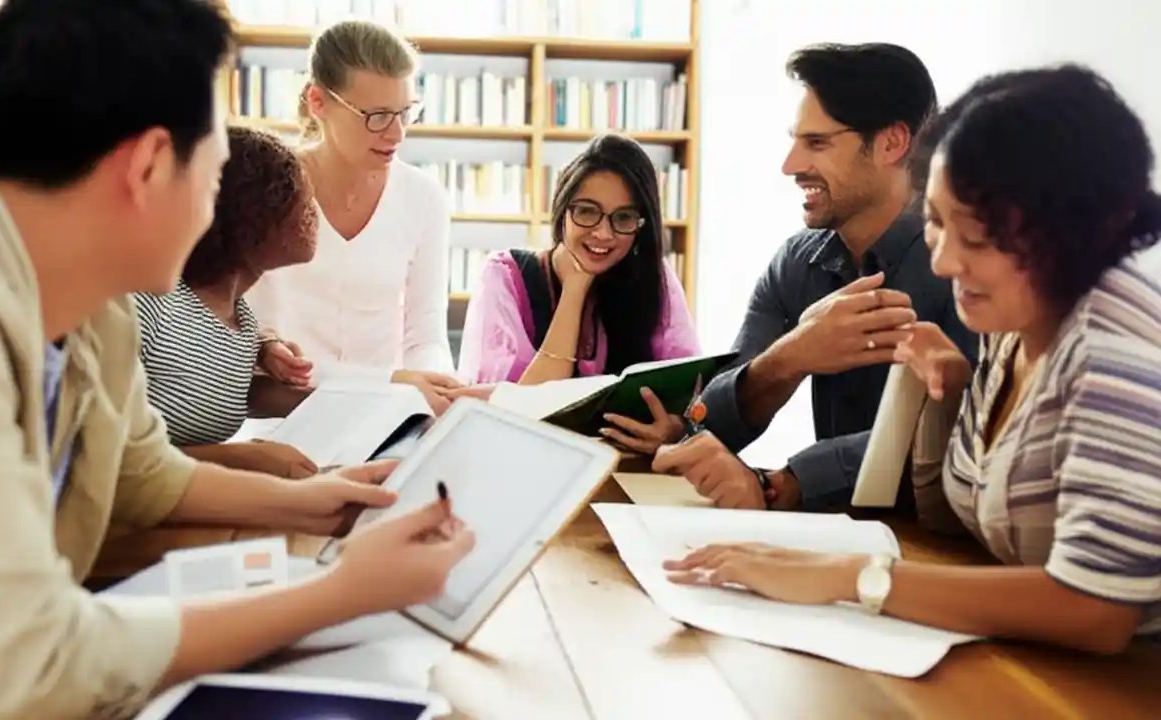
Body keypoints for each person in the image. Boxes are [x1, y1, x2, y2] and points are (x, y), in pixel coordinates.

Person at [0, 2, 473, 718]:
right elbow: (36, 672)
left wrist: (317, 499)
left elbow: (141, 473)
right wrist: (340, 592)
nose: (217, 209)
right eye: (218, 169)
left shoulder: (95, 296)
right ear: (153, 165)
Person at [664, 65, 1161, 654]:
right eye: (935, 224)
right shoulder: (1016, 317)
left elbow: (1096, 611)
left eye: (975, 237)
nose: (947, 262)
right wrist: (945, 397)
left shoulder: (1113, 355)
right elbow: (967, 517)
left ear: (1075, 229)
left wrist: (847, 576)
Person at [649, 43, 975, 511]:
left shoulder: (967, 264)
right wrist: (792, 355)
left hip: (947, 547)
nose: (791, 165)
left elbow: (971, 432)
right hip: (834, 537)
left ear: (891, 143)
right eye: (796, 140)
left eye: (817, 143)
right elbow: (709, 423)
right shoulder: (797, 263)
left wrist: (791, 481)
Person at [244, 19, 461, 412]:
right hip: (279, 418)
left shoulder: (424, 198)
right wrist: (387, 382)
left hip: (387, 419)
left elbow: (425, 337)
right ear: (318, 102)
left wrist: (436, 385)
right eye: (376, 115)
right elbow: (256, 354)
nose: (396, 134)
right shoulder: (266, 191)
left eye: (405, 112)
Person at [456, 134, 701, 401]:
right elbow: (514, 409)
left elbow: (689, 390)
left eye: (623, 218)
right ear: (562, 209)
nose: (603, 233)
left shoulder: (654, 277)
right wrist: (574, 289)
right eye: (587, 211)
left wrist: (670, 428)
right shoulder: (505, 275)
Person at [136, 125, 321, 479]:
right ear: (245, 211)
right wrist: (242, 459)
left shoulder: (243, 322)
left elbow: (216, 390)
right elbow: (111, 455)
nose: (313, 210)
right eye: (292, 194)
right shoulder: (150, 304)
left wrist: (349, 403)